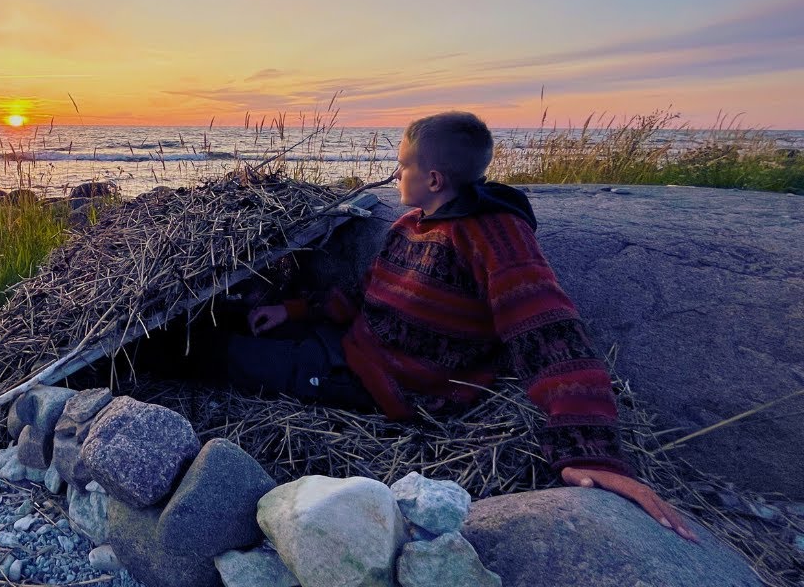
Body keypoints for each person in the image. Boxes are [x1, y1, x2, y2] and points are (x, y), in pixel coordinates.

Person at [241, 111, 696, 541]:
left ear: (434, 179)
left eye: (402, 166)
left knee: (226, 355)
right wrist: (294, 311)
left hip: (386, 382)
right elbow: (367, 294)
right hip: (352, 344)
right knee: (235, 322)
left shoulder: (495, 236)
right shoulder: (411, 224)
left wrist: (591, 452)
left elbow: (547, 328)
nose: (395, 175)